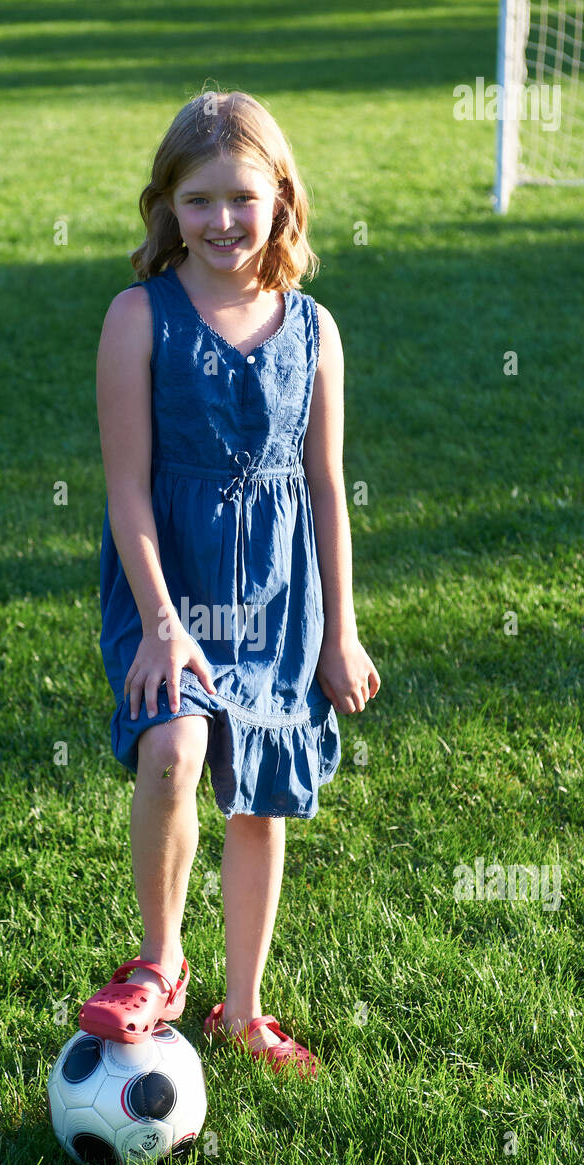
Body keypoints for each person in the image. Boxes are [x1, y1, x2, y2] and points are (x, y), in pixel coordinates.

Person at [79, 88, 380, 1077]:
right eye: (198, 199)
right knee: (174, 741)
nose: (220, 221)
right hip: (169, 584)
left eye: (241, 198)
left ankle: (242, 1010)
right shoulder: (139, 320)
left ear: (281, 197)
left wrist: (342, 628)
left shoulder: (315, 330)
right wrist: (163, 625)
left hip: (279, 599)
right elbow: (127, 490)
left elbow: (326, 489)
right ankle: (161, 962)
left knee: (260, 795)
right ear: (167, 205)